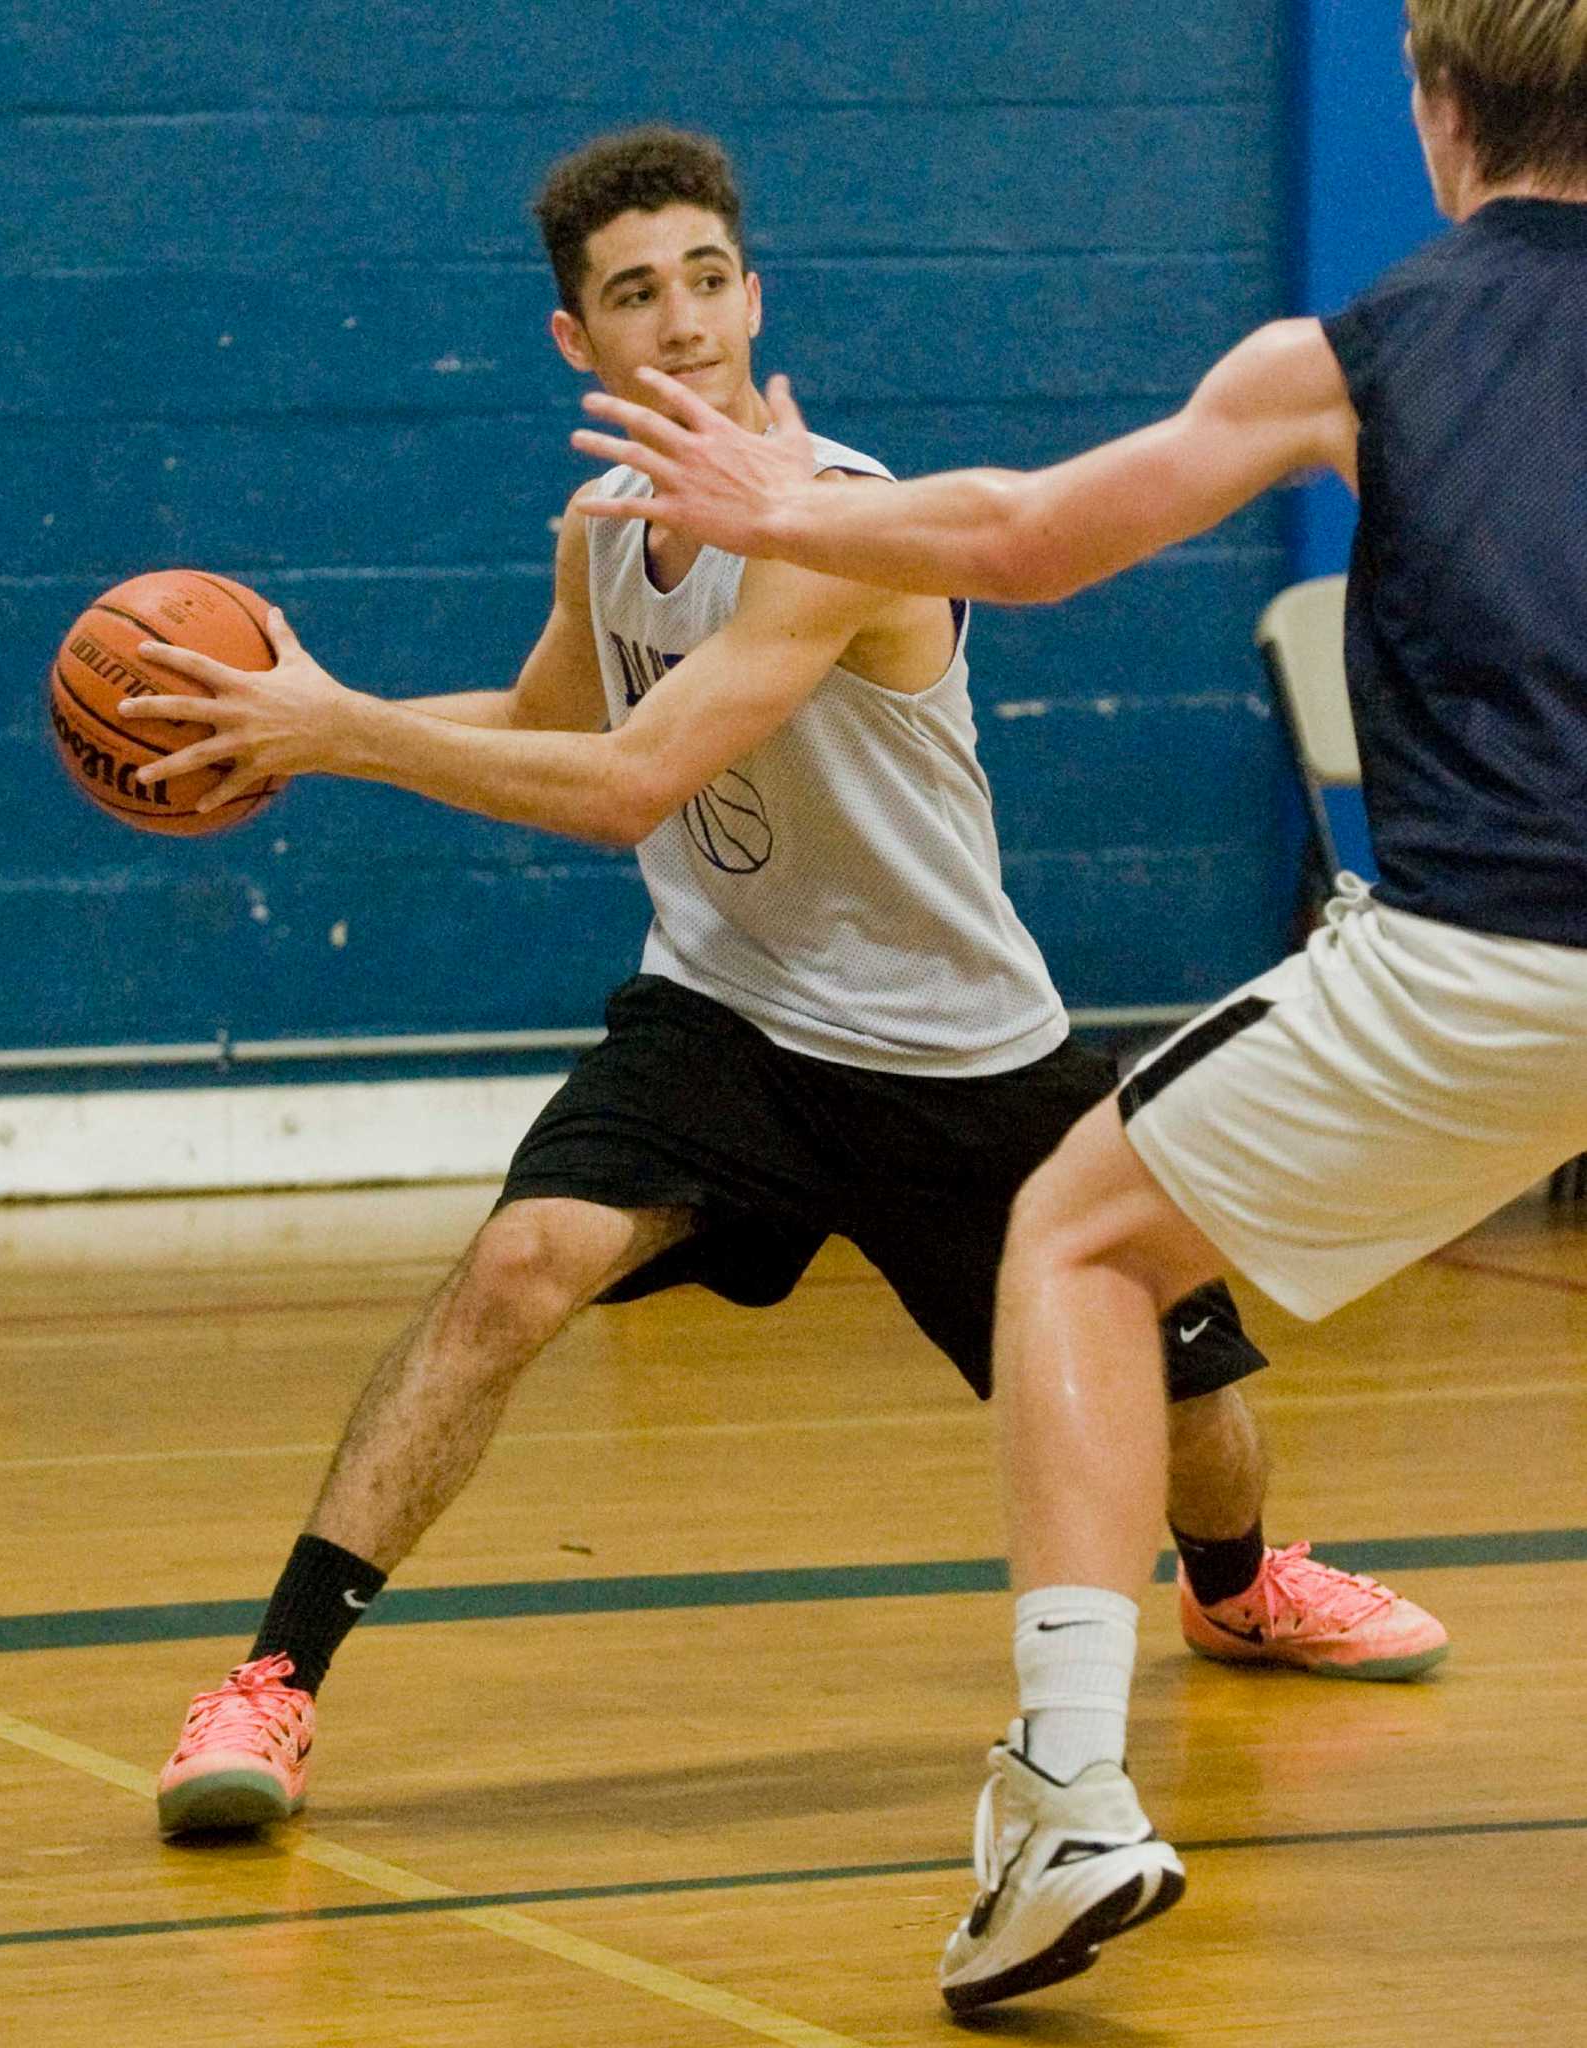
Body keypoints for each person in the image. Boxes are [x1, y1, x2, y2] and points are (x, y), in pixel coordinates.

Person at [129, 127, 1443, 1847]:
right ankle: (273, 1684)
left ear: (752, 298)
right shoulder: (603, 528)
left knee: (1197, 1417)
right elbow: (552, 724)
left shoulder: (833, 522)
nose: (675, 321)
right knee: (515, 1271)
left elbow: (628, 787)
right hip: (728, 1018)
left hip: (958, 1052)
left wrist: (343, 735)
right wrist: (303, 727)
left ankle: (1233, 1582)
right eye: (629, 294)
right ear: (572, 343)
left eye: (700, 280)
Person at [570, 3, 1587, 2012]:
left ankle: (1066, 1795)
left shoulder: (1354, 348)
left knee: (1075, 1229)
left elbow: (1030, 537)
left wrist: (786, 510)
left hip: (1495, 952)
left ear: (1435, 104)